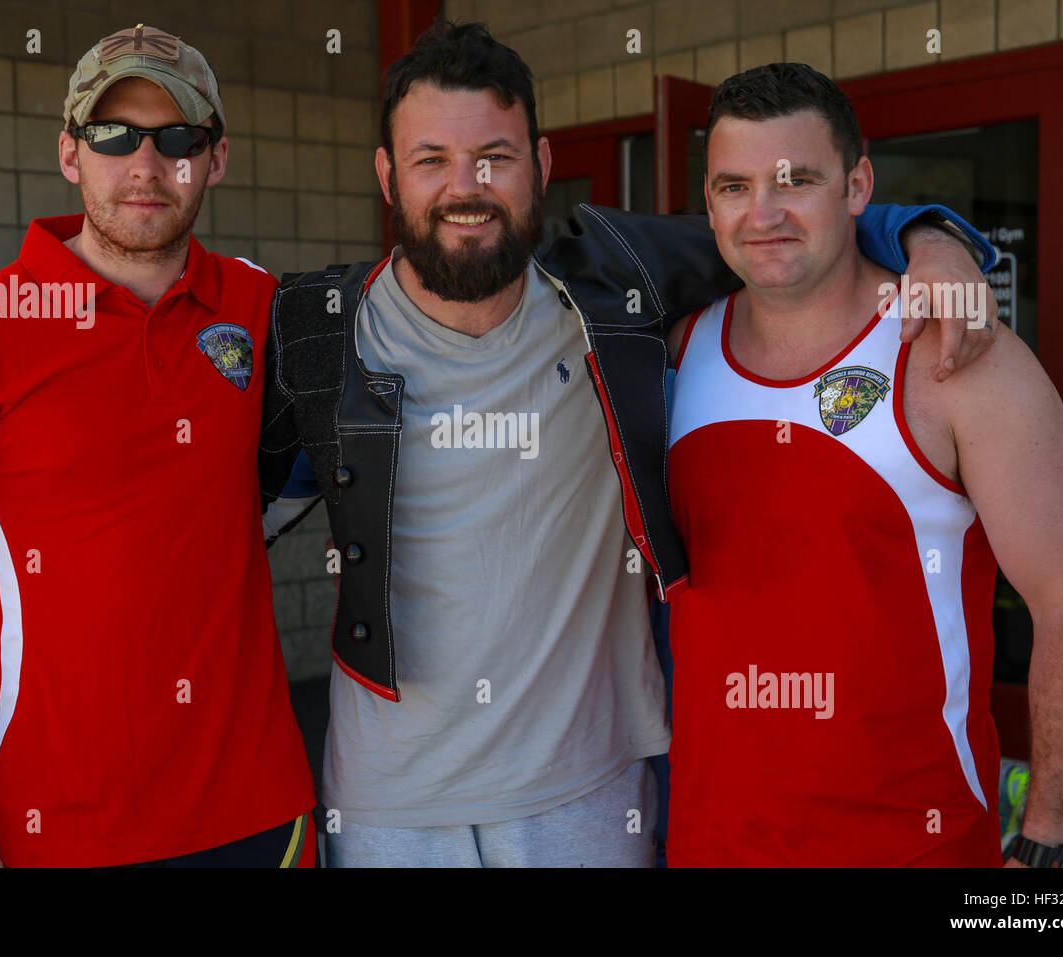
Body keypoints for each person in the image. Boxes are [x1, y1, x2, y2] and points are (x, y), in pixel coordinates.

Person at [257, 20, 998, 867]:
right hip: (388, 805)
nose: (468, 186)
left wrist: (925, 236)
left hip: (592, 792)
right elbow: (215, 518)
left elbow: (775, 222)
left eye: (494, 156)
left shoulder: (614, 284)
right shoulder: (320, 338)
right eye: (432, 160)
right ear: (388, 176)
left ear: (539, 164)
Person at [0, 25, 315, 867]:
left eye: (178, 138)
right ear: (71, 153)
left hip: (258, 813)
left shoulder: (261, 308)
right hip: (51, 828)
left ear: (216, 159)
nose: (145, 163)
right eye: (113, 135)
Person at [663, 62, 1063, 866]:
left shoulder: (961, 358)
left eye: (795, 179)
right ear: (708, 201)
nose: (763, 212)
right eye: (733, 186)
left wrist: (1051, 842)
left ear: (858, 185)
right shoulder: (667, 352)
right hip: (709, 845)